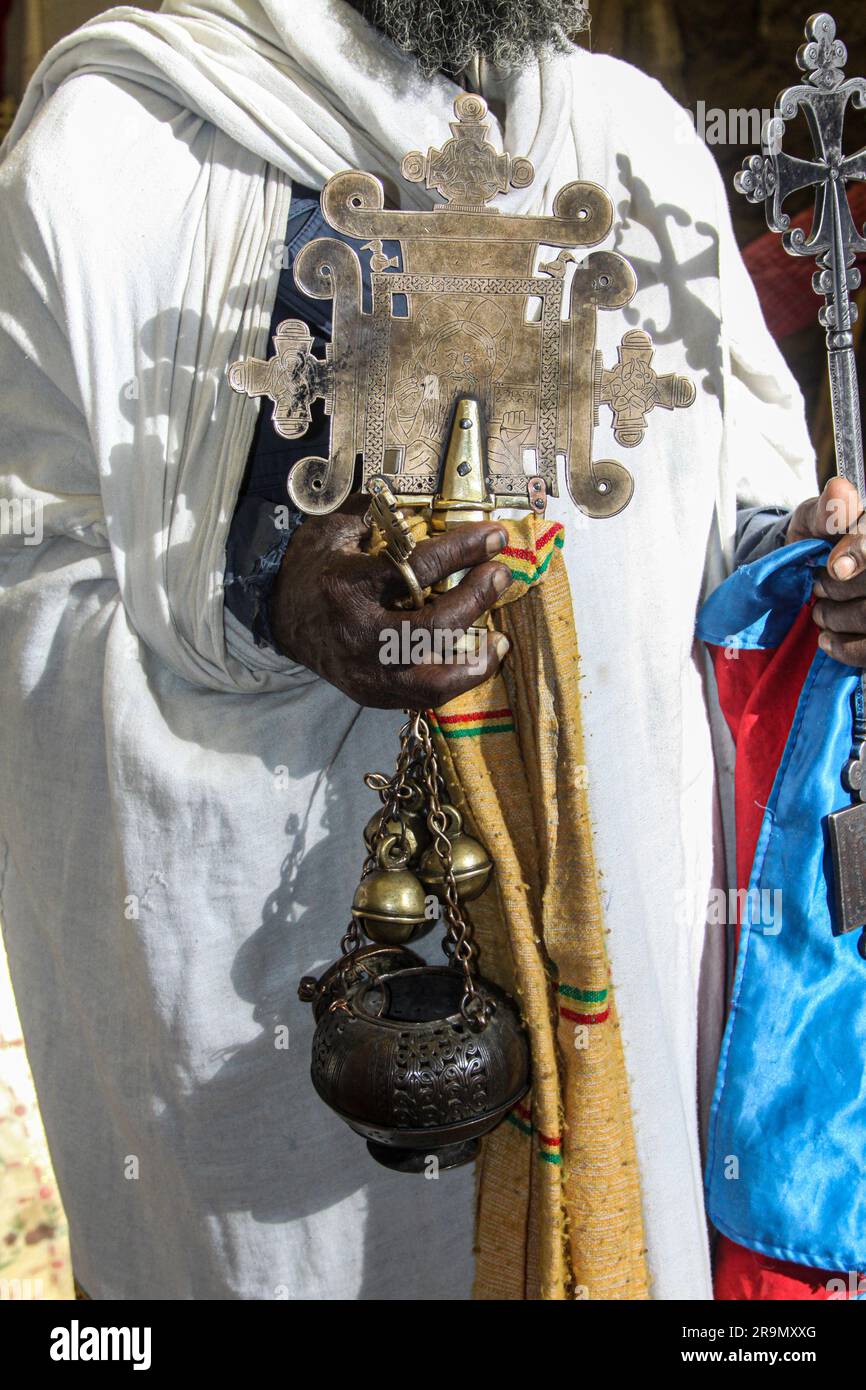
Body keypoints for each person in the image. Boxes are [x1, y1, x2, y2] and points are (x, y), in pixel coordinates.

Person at [0, 0, 859, 1300]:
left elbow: (721, 508)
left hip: (609, 936)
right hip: (264, 1017)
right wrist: (263, 593)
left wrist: (814, 570)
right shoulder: (111, 148)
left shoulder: (633, 141)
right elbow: (30, 563)